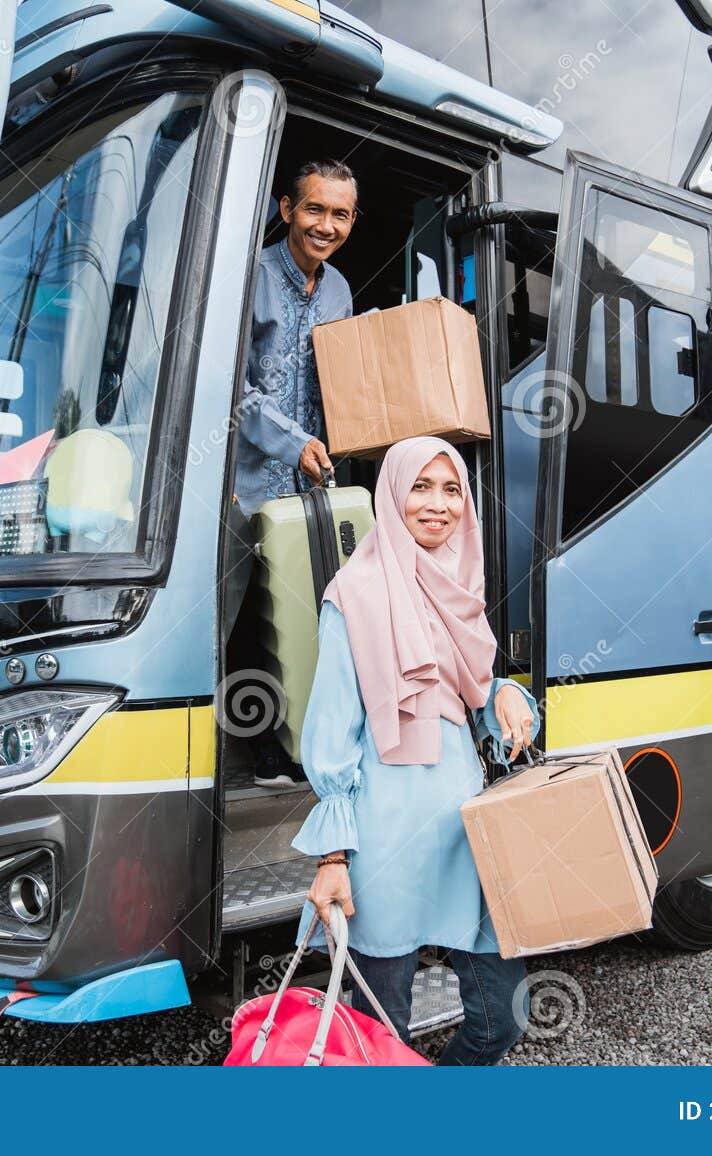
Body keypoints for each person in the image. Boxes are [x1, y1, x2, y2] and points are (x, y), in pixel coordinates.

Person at [291, 436, 541, 1065]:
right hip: (383, 844)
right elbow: (330, 735)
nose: (438, 505)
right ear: (392, 495)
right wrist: (333, 857)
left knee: (502, 1016)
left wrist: (507, 696)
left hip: (464, 832)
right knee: (379, 1040)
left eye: (451, 489)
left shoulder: (461, 587)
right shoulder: (353, 594)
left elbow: (471, 691)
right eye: (420, 488)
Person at [225, 159, 359, 788]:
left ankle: (306, 740)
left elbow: (339, 383)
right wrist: (293, 442)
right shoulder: (247, 274)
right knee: (247, 614)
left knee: (304, 611)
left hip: (310, 489)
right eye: (314, 210)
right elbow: (232, 388)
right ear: (286, 210)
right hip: (245, 482)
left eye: (340, 214)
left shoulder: (340, 292)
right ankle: (258, 754)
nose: (325, 226)